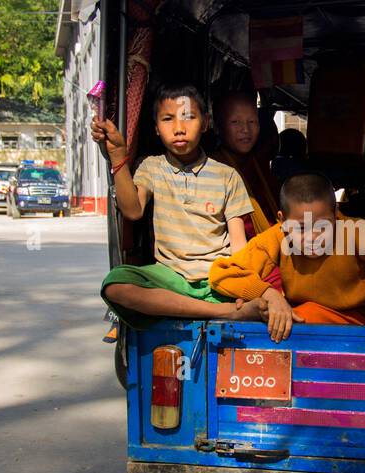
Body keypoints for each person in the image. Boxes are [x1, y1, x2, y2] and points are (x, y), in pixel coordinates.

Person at [208, 173, 365, 349]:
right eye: (301, 228)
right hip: (309, 320)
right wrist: (269, 294)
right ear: (282, 221)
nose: (312, 237)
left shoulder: (357, 233)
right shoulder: (277, 236)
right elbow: (222, 273)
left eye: (322, 226)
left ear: (336, 216)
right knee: (289, 321)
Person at [92, 84, 262, 329]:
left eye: (189, 118)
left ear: (205, 124)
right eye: (168, 119)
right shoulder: (152, 167)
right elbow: (133, 210)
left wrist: (246, 287)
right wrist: (119, 156)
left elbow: (238, 245)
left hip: (218, 278)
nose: (179, 128)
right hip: (171, 278)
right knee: (116, 285)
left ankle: (201, 307)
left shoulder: (227, 176)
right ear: (156, 128)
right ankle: (224, 312)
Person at [209, 90, 281, 238]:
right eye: (235, 122)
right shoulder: (212, 170)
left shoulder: (259, 164)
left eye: (252, 121)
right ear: (217, 127)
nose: (245, 130)